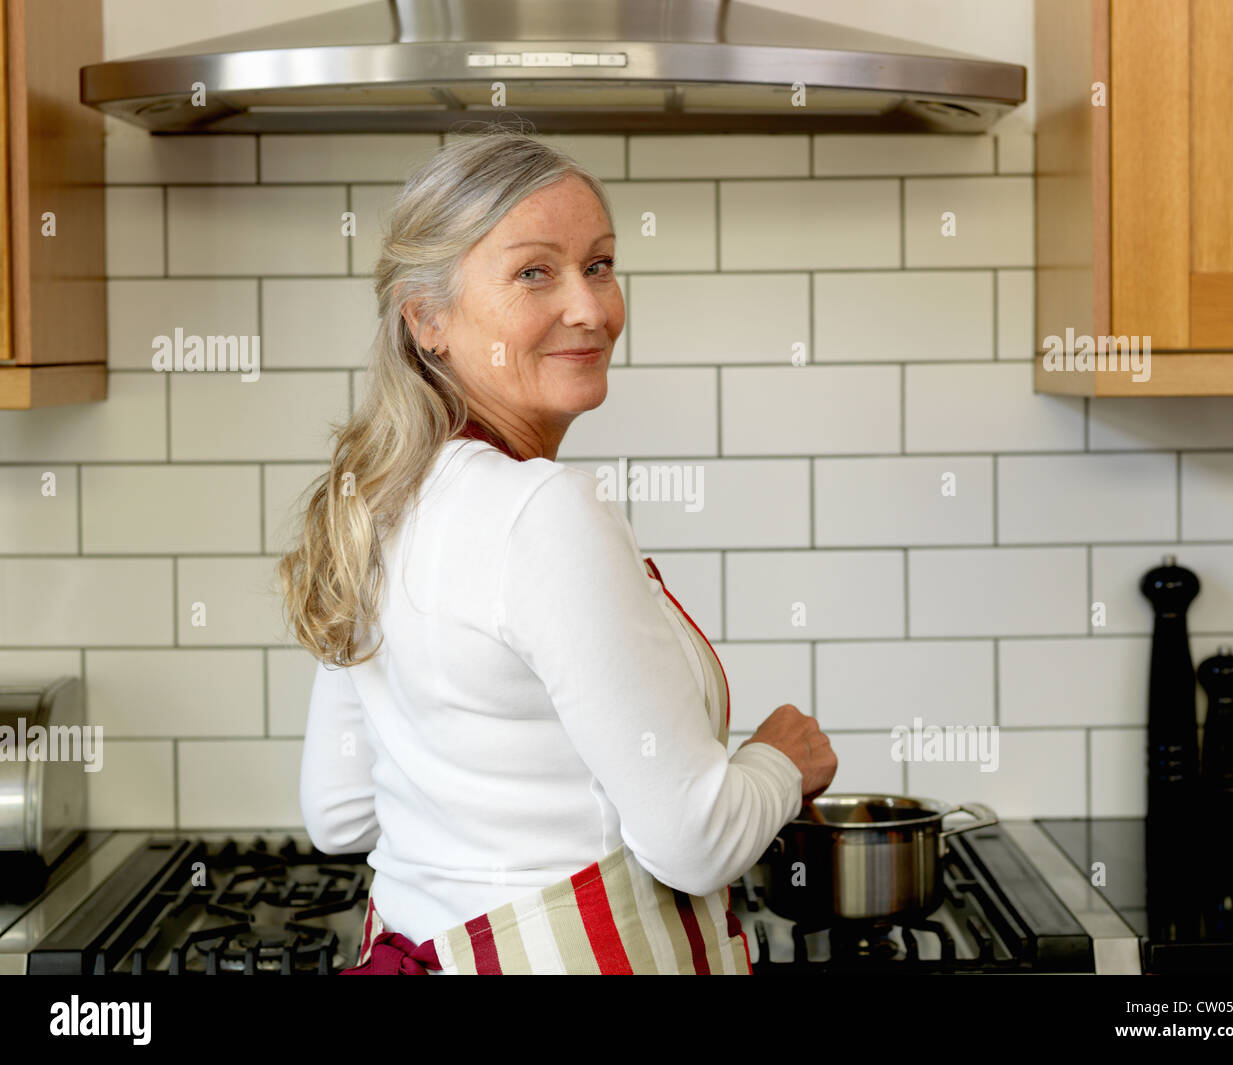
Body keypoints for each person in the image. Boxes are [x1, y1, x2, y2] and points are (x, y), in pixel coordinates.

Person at [278, 125, 837, 975]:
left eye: (601, 264)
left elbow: (342, 810)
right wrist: (780, 761)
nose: (590, 307)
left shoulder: (376, 496)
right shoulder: (543, 509)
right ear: (427, 319)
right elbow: (694, 841)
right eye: (535, 270)